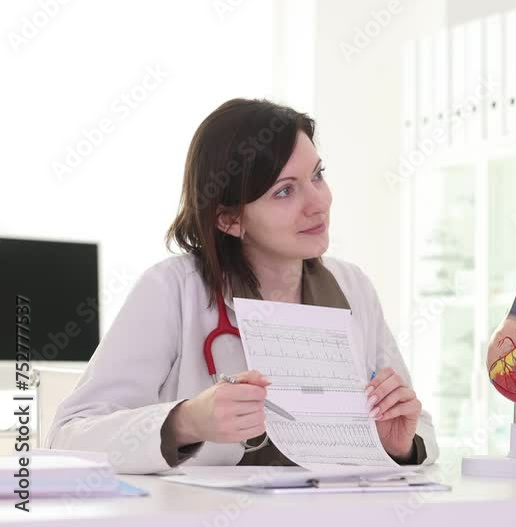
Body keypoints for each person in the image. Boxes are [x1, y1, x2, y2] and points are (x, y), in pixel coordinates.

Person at [47, 99, 438, 474]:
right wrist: (185, 422)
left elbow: (418, 429)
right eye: (285, 191)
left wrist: (397, 445)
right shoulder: (172, 291)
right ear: (229, 220)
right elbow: (68, 437)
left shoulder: (352, 288)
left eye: (317, 175)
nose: (318, 202)